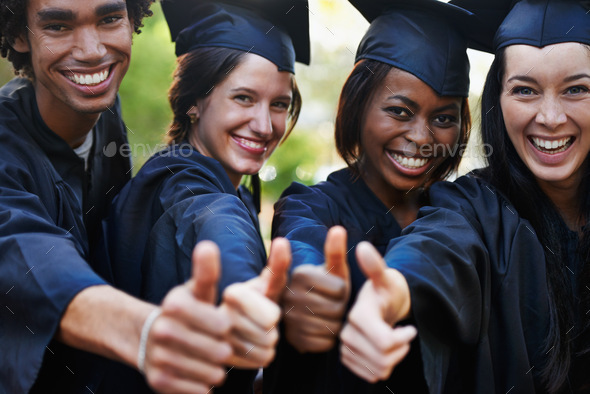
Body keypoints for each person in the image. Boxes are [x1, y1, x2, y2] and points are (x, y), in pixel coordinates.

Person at [0, 1, 259, 393]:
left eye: (109, 19)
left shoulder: (103, 111)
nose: (91, 51)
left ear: (132, 18)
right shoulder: (8, 145)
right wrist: (146, 331)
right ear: (19, 34)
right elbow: (24, 253)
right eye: (57, 26)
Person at [339, 0, 590, 392]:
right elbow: (437, 247)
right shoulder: (473, 207)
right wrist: (393, 290)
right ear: (497, 100)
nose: (550, 117)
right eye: (524, 90)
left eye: (577, 89)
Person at [266, 0, 474, 392]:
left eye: (444, 118)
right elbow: (301, 239)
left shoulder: (462, 212)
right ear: (357, 106)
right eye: (399, 111)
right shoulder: (313, 205)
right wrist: (308, 281)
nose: (421, 137)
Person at [104, 0, 310, 392]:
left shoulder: (206, 177)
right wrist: (239, 289)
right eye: (244, 98)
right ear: (194, 102)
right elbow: (214, 219)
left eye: (279, 104)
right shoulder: (183, 184)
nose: (265, 125)